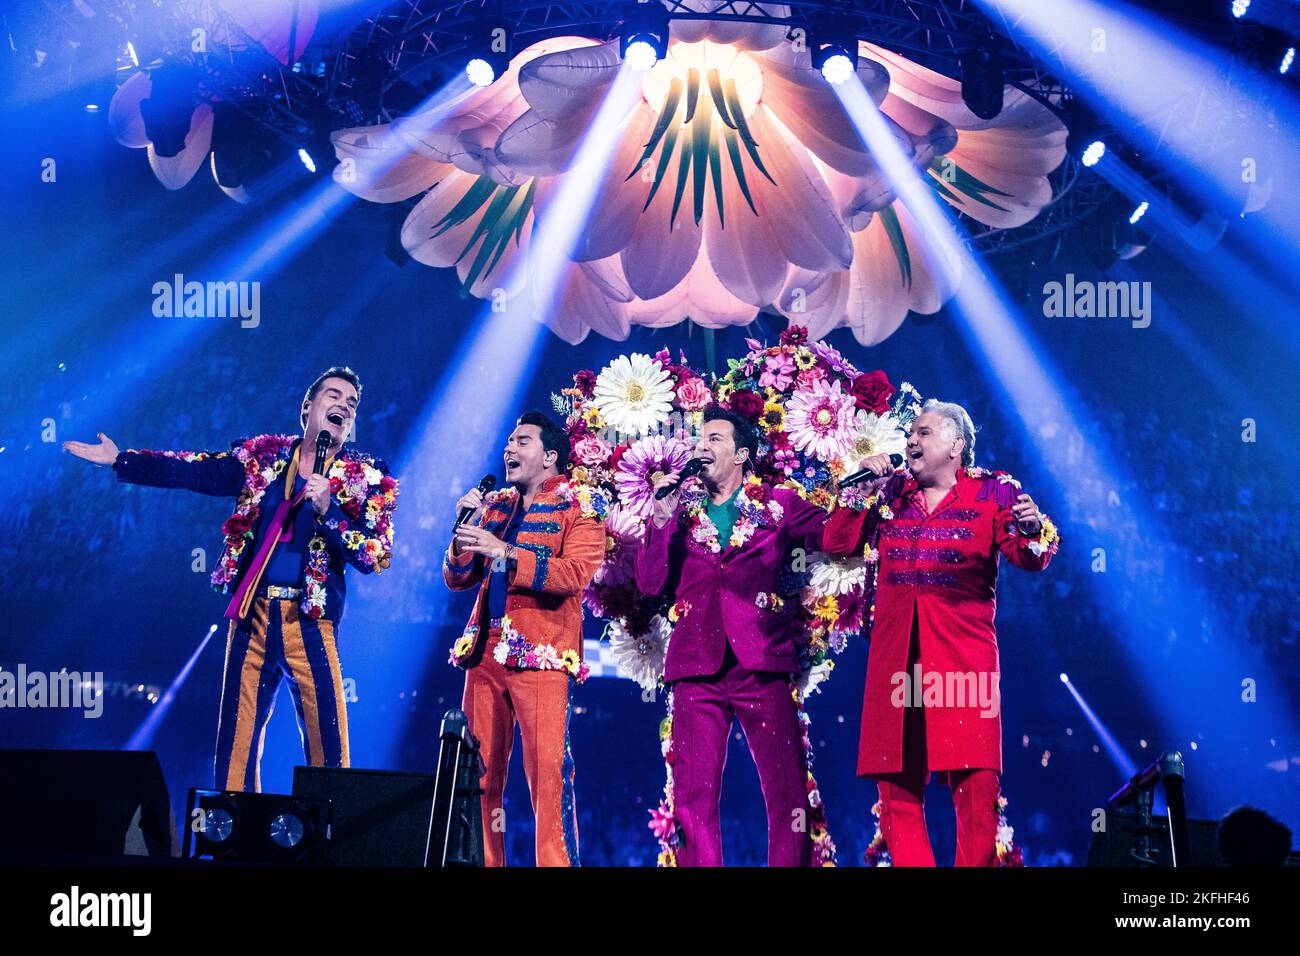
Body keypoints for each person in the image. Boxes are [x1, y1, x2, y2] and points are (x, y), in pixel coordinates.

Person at [62, 367, 398, 792]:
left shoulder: (367, 477)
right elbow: (194, 470)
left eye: (352, 405)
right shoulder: (265, 457)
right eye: (334, 396)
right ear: (307, 407)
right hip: (251, 617)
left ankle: (327, 847)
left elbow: (375, 554)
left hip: (311, 623)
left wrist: (329, 512)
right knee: (235, 745)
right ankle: (234, 843)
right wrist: (122, 459)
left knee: (328, 747)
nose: (344, 407)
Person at [823, 399, 1058, 866]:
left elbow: (1030, 557)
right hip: (897, 663)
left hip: (962, 663)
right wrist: (857, 491)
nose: (910, 439)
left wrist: (1032, 530)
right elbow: (837, 544)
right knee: (896, 789)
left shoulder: (994, 492)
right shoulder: (888, 494)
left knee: (975, 788)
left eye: (924, 432)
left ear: (957, 444)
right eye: (910, 432)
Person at [635, 406, 828, 866]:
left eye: (715, 439)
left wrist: (870, 493)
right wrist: (659, 519)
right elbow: (647, 583)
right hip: (696, 669)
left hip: (762, 662)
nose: (702, 446)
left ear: (742, 454)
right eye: (699, 439)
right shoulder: (678, 515)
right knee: (692, 798)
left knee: (788, 792)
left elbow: (832, 535)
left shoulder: (777, 504)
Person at [444, 410, 605, 867]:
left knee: (547, 779)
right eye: (509, 440)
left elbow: (575, 574)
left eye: (521, 441)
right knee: (478, 776)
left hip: (543, 655)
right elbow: (457, 578)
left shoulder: (581, 504)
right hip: (484, 651)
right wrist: (461, 536)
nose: (509, 448)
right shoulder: (495, 506)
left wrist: (508, 553)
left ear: (550, 456)